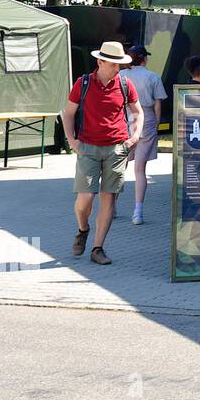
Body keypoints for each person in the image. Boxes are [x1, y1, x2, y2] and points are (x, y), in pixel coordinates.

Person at [61, 41, 144, 266]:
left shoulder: (126, 84)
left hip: (117, 148)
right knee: (85, 198)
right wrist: (72, 141)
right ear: (100, 61)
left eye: (120, 64)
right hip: (87, 147)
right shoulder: (83, 83)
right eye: (113, 64)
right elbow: (67, 113)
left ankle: (98, 248)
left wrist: (135, 136)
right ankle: (83, 228)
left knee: (109, 199)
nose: (118, 68)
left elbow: (138, 111)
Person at [119, 45, 167, 226]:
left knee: (119, 166)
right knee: (140, 170)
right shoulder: (153, 77)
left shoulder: (120, 76)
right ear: (144, 58)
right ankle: (137, 212)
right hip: (145, 119)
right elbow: (157, 105)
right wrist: (155, 124)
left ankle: (112, 207)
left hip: (124, 119)